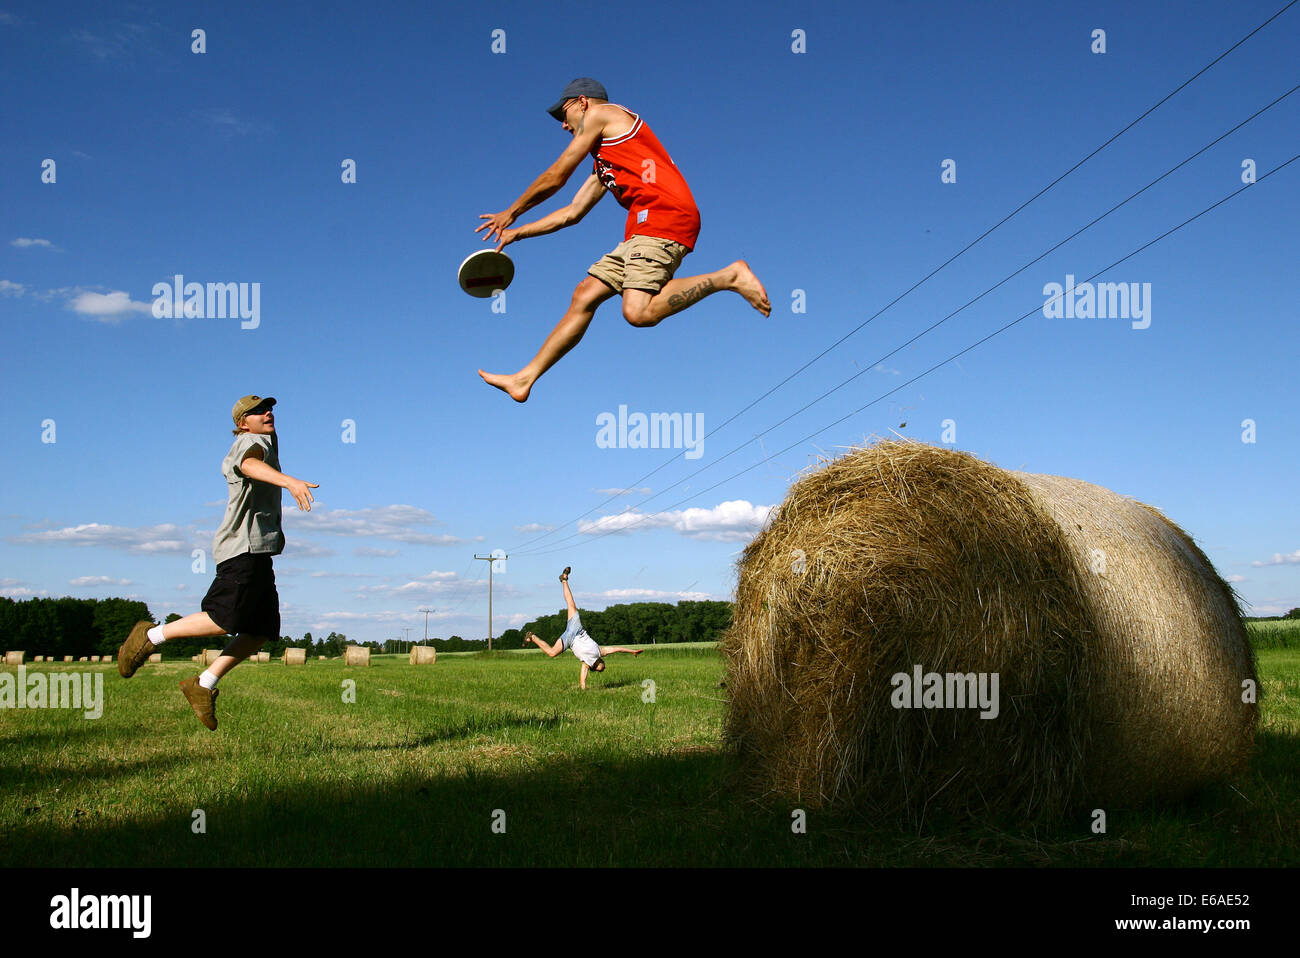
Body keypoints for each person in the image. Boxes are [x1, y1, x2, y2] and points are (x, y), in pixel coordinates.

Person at [476, 77, 771, 403]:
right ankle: (524, 379)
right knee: (584, 294)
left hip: (666, 214)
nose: (563, 125)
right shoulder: (605, 160)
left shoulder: (605, 115)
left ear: (583, 102)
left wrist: (512, 211)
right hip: (641, 229)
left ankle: (728, 277)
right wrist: (519, 232)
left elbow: (557, 174)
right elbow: (572, 212)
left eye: (564, 113)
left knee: (637, 312)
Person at [116, 395, 319, 730]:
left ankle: (203, 685)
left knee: (260, 630)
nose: (266, 413)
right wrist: (290, 482)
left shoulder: (264, 440)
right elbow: (249, 465)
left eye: (268, 408)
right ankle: (152, 635)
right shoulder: (248, 442)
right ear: (242, 423)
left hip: (258, 553)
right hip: (241, 549)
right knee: (224, 618)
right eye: (256, 411)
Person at [525, 566, 641, 689]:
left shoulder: (586, 663)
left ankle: (532, 636)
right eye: (603, 665)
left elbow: (583, 676)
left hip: (569, 640)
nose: (602, 666)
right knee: (571, 604)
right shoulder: (600, 652)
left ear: (594, 668)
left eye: (600, 668)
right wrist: (632, 651)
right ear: (601, 661)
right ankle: (564, 579)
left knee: (552, 653)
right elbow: (617, 649)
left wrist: (583, 688)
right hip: (577, 629)